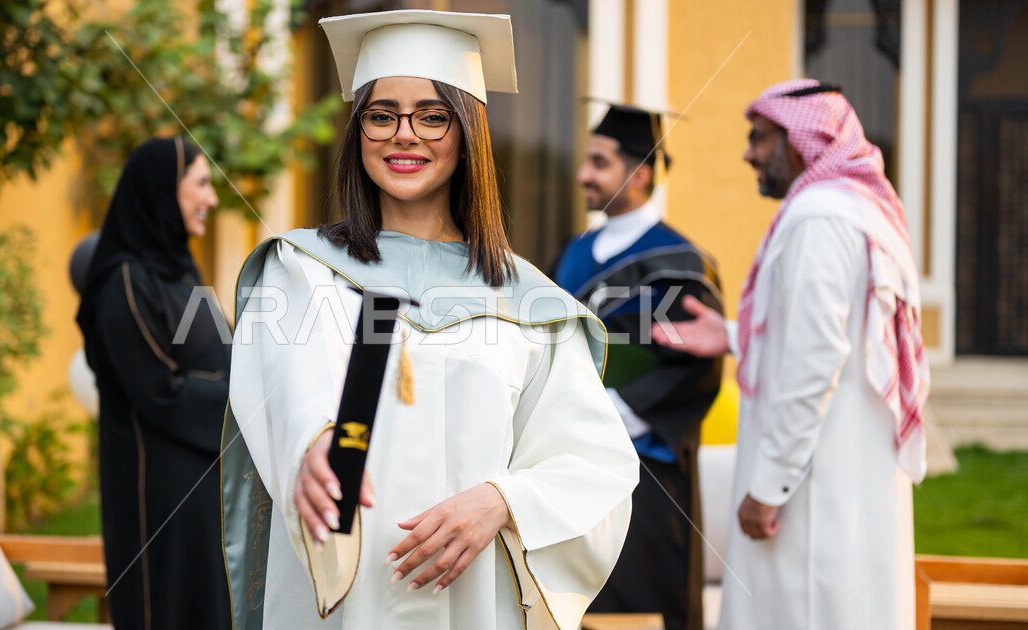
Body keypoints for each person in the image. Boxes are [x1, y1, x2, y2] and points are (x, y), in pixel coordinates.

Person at [221, 10, 638, 630]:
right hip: (343, 598)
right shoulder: (303, 269)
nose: (404, 135)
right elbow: (289, 379)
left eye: (433, 115)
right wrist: (309, 445)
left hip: (475, 595)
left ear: (468, 132)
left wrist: (503, 501)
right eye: (381, 114)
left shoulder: (529, 303)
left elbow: (593, 460)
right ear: (358, 130)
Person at [654, 79, 929, 630]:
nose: (747, 153)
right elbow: (836, 333)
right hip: (842, 476)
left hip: (812, 489)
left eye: (760, 138)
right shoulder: (857, 208)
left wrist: (768, 486)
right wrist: (733, 335)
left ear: (807, 139)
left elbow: (815, 359)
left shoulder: (820, 217)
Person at [76, 136, 259, 630]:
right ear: (161, 191)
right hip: (160, 502)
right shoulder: (125, 283)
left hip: (205, 487)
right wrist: (253, 400)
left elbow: (227, 357)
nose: (213, 199)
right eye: (201, 184)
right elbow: (159, 391)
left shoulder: (180, 275)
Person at [552, 104, 722, 630]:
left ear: (640, 172)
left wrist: (612, 414)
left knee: (647, 603)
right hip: (570, 457)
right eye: (586, 161)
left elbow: (697, 366)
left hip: (646, 468)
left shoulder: (681, 260)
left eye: (599, 162)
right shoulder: (575, 251)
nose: (584, 174)